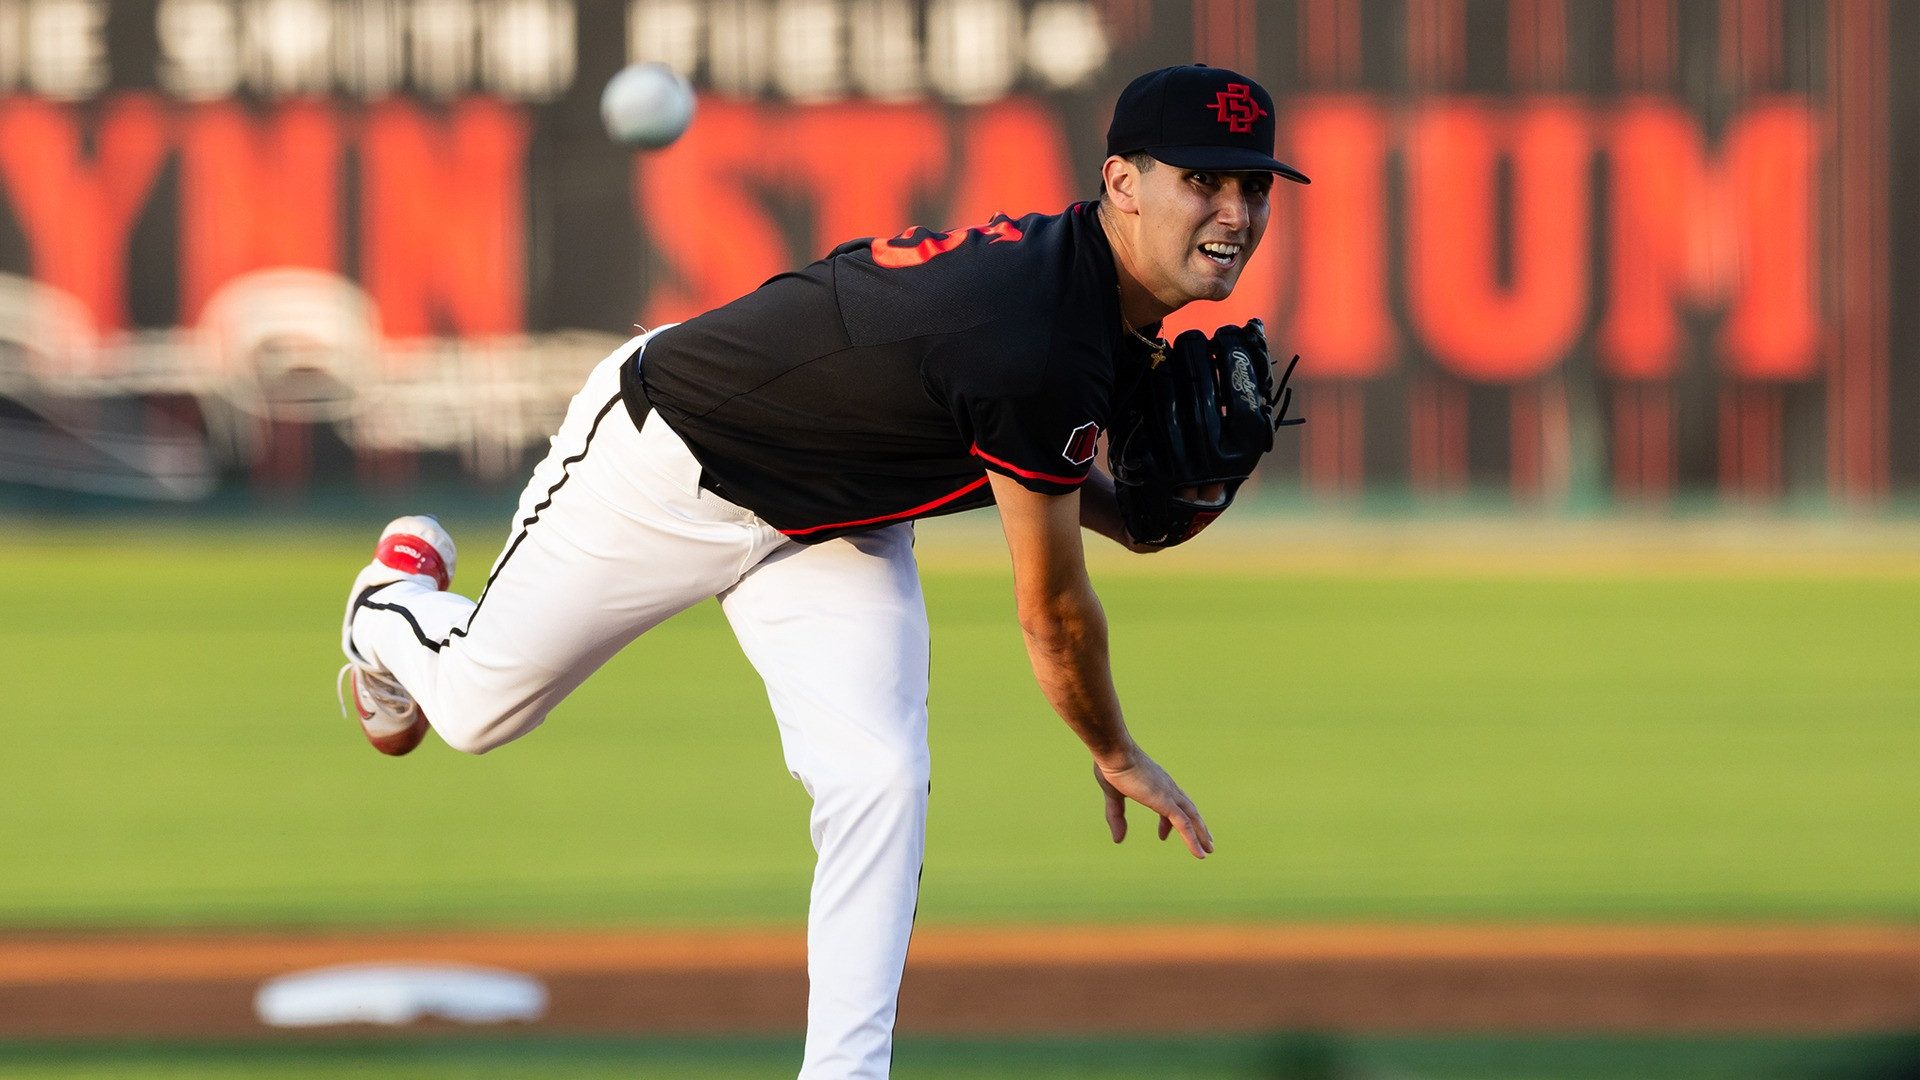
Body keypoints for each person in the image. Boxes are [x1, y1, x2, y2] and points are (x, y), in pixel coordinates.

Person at [337, 64, 1307, 1080]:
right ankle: (390, 600)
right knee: (476, 709)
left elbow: (1037, 468)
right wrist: (1113, 749)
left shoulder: (1091, 307)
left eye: (1254, 187)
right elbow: (1054, 613)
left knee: (878, 778)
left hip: (836, 518)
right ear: (1123, 184)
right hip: (670, 459)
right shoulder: (1038, 334)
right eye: (1203, 180)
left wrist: (1143, 520)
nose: (1234, 212)